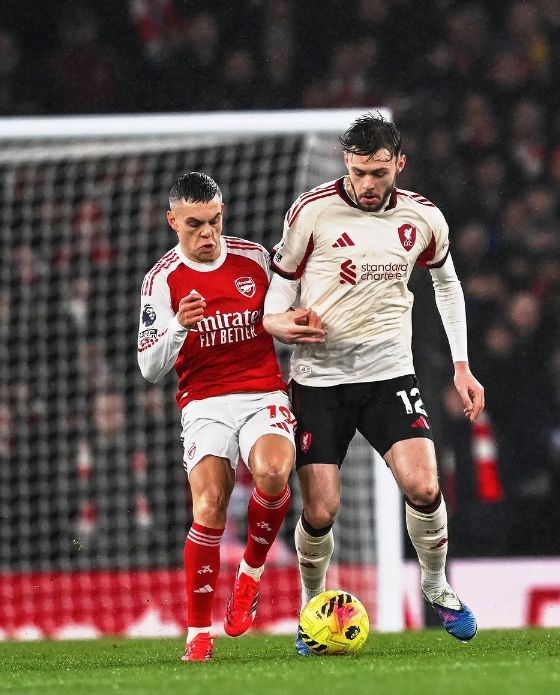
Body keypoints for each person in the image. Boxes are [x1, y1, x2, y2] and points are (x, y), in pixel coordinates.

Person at [263, 113, 485, 652]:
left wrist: (461, 365)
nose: (367, 183)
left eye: (379, 173)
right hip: (320, 379)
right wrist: (275, 321)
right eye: (359, 172)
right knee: (320, 511)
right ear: (347, 163)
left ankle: (436, 584)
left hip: (389, 374)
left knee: (425, 486)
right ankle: (312, 606)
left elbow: (447, 285)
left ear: (399, 165)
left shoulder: (423, 217)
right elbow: (282, 282)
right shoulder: (311, 211)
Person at [137, 172, 323, 662]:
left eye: (214, 221)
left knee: (273, 472)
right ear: (172, 221)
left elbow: (279, 317)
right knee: (210, 504)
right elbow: (149, 367)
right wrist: (179, 326)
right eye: (194, 224)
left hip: (262, 391)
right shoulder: (162, 280)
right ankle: (199, 633)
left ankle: (250, 575)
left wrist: (297, 322)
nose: (208, 233)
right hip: (204, 401)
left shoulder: (254, 258)